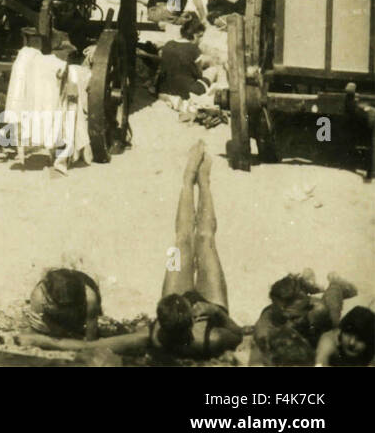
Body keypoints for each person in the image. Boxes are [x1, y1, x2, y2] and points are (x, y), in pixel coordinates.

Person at [17, 142, 244, 362]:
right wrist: (216, 312)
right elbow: (238, 334)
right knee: (205, 241)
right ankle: (203, 181)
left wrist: (37, 340)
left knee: (181, 241)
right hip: (210, 304)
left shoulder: (153, 337)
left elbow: (88, 346)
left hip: (172, 299)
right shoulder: (210, 339)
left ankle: (188, 181)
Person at [250, 271, 360, 365]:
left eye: (295, 318)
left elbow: (330, 338)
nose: (290, 324)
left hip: (312, 327)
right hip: (292, 342)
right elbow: (258, 362)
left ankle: (334, 283)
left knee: (332, 317)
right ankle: (308, 281)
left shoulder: (318, 310)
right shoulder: (264, 331)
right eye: (284, 319)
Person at [24, 269, 103, 340]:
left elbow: (90, 341)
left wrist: (56, 332)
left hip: (76, 307)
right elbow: (32, 336)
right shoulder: (39, 295)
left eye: (50, 302)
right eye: (47, 299)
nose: (44, 302)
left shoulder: (89, 298)